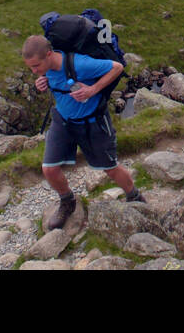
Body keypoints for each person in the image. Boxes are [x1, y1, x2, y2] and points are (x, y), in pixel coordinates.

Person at [21, 34, 143, 230]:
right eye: (31, 68)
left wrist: (92, 90)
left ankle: (135, 196)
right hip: (63, 121)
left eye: (36, 66)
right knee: (49, 169)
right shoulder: (47, 69)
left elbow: (117, 68)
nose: (34, 71)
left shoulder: (80, 64)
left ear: (49, 54)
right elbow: (52, 80)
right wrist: (41, 82)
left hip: (92, 121)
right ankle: (68, 201)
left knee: (110, 168)